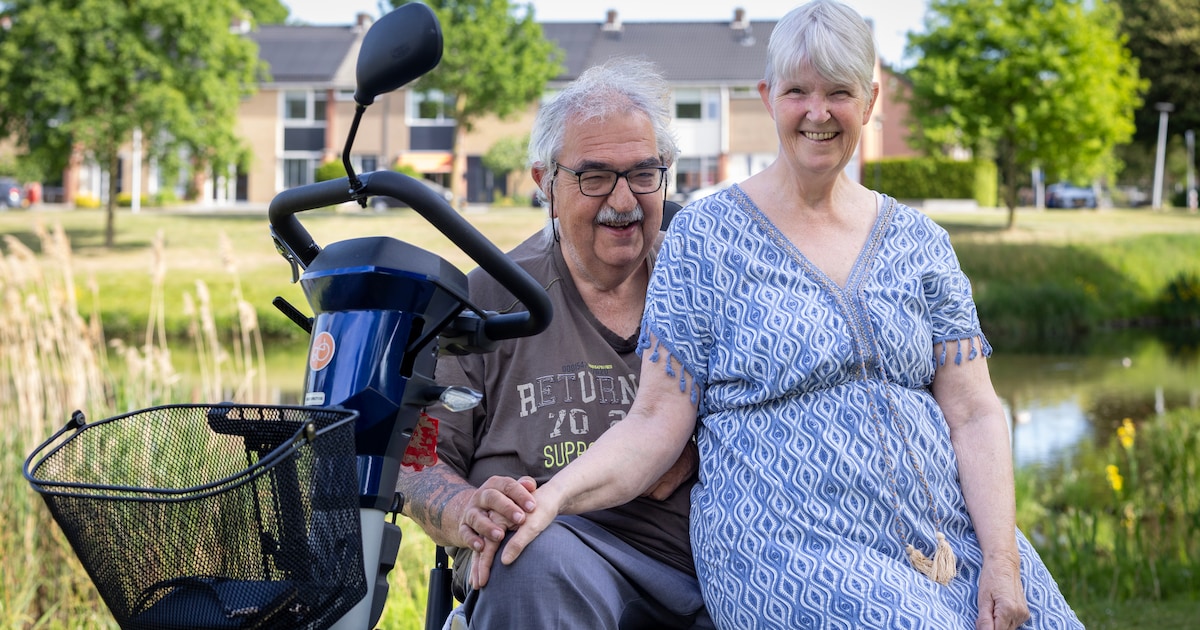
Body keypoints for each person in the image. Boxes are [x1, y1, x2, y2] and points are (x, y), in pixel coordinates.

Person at [471, 2, 1085, 629]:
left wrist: (1002, 560)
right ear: (768, 97)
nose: (818, 113)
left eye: (839, 92)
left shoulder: (920, 241)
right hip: (787, 541)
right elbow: (654, 419)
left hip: (943, 529)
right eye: (798, 91)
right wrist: (553, 499)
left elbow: (976, 411)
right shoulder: (706, 236)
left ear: (870, 102)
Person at [398, 57, 713, 629]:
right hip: (543, 561)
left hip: (689, 569)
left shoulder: (702, 281)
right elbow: (416, 461)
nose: (623, 202)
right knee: (534, 558)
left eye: (644, 174)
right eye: (594, 177)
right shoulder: (487, 298)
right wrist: (469, 509)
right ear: (545, 181)